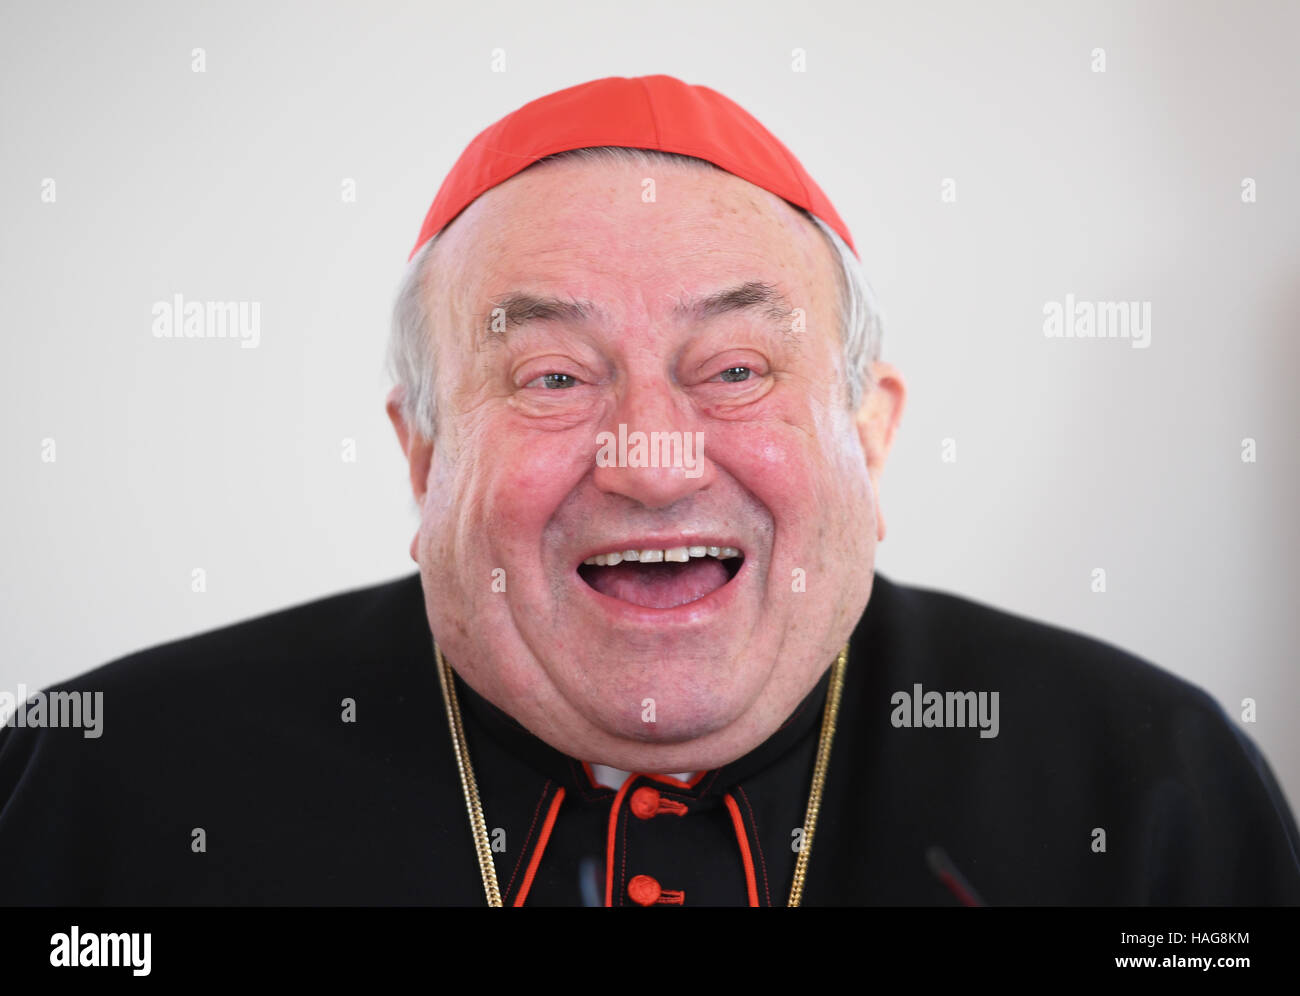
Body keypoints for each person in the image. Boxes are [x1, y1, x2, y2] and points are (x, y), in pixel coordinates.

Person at [2, 75, 1297, 906]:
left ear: (871, 433)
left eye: (734, 368)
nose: (653, 462)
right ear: (422, 456)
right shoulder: (102, 789)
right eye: (554, 377)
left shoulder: (1145, 789)